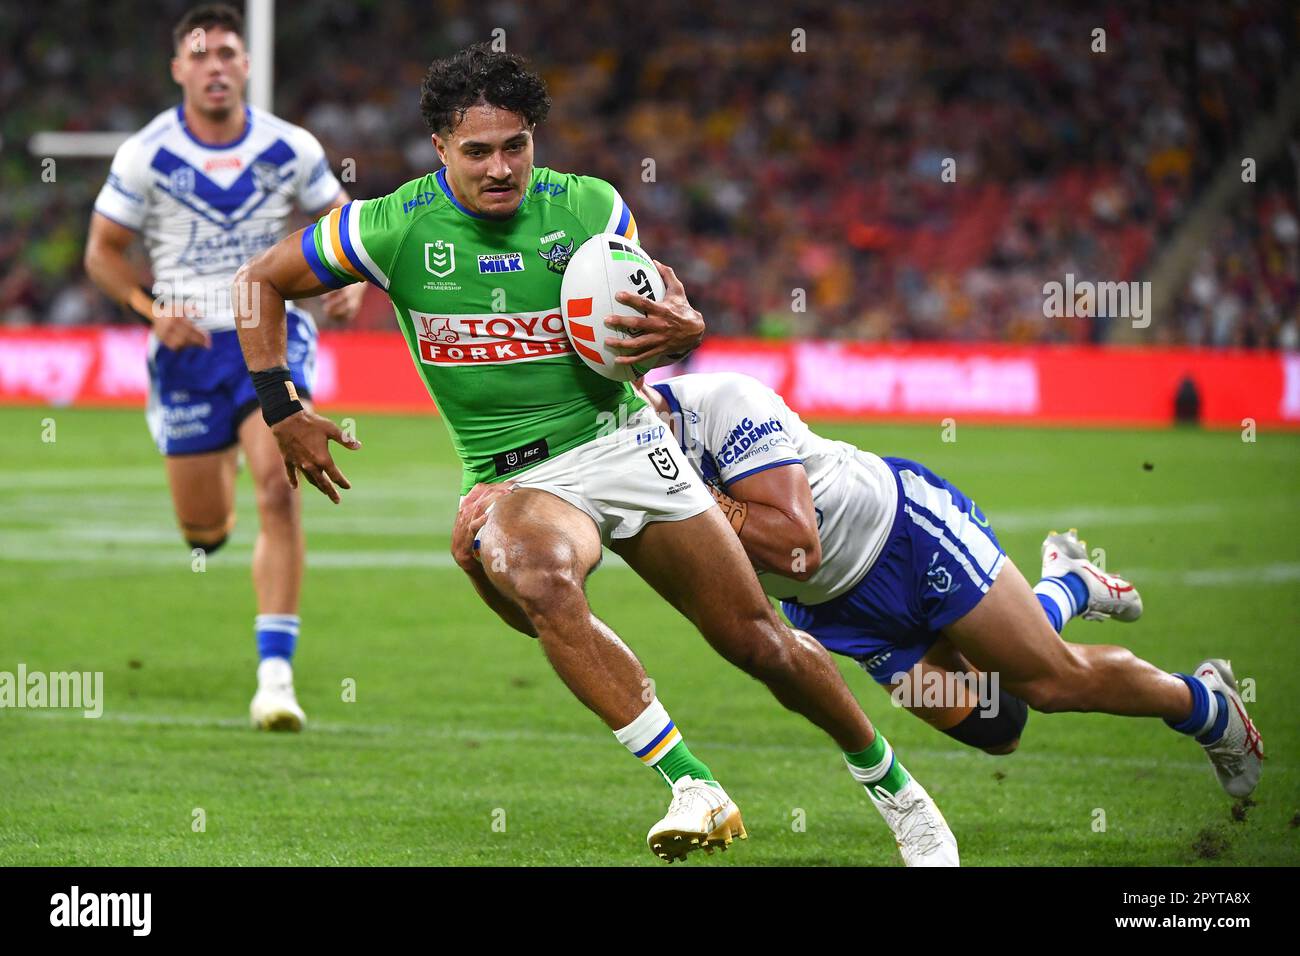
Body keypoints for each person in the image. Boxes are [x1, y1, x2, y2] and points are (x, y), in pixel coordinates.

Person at [234, 44, 958, 865]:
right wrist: (281, 405)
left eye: (517, 145)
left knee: (758, 642)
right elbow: (258, 281)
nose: (501, 167)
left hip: (622, 442)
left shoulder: (593, 210)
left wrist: (685, 334)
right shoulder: (390, 226)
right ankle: (693, 784)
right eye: (477, 151)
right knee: (538, 575)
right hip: (519, 478)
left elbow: (646, 329)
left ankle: (895, 788)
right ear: (439, 149)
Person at [631, 370, 1263, 799]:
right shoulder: (617, 461)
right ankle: (1067, 586)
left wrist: (696, 497)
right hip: (839, 616)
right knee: (998, 724)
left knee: (1049, 682)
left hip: (906, 536)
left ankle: (1208, 708)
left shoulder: (725, 403)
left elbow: (797, 548)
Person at [84, 4, 365, 731]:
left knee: (280, 483)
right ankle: (221, 492)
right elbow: (101, 252)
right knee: (203, 530)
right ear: (179, 68)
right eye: (201, 55)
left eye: (228, 54)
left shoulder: (290, 147)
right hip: (186, 351)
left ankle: (275, 681)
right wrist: (152, 311)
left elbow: (344, 230)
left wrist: (350, 284)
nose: (216, 66)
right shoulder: (146, 154)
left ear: (246, 66)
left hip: (268, 332)